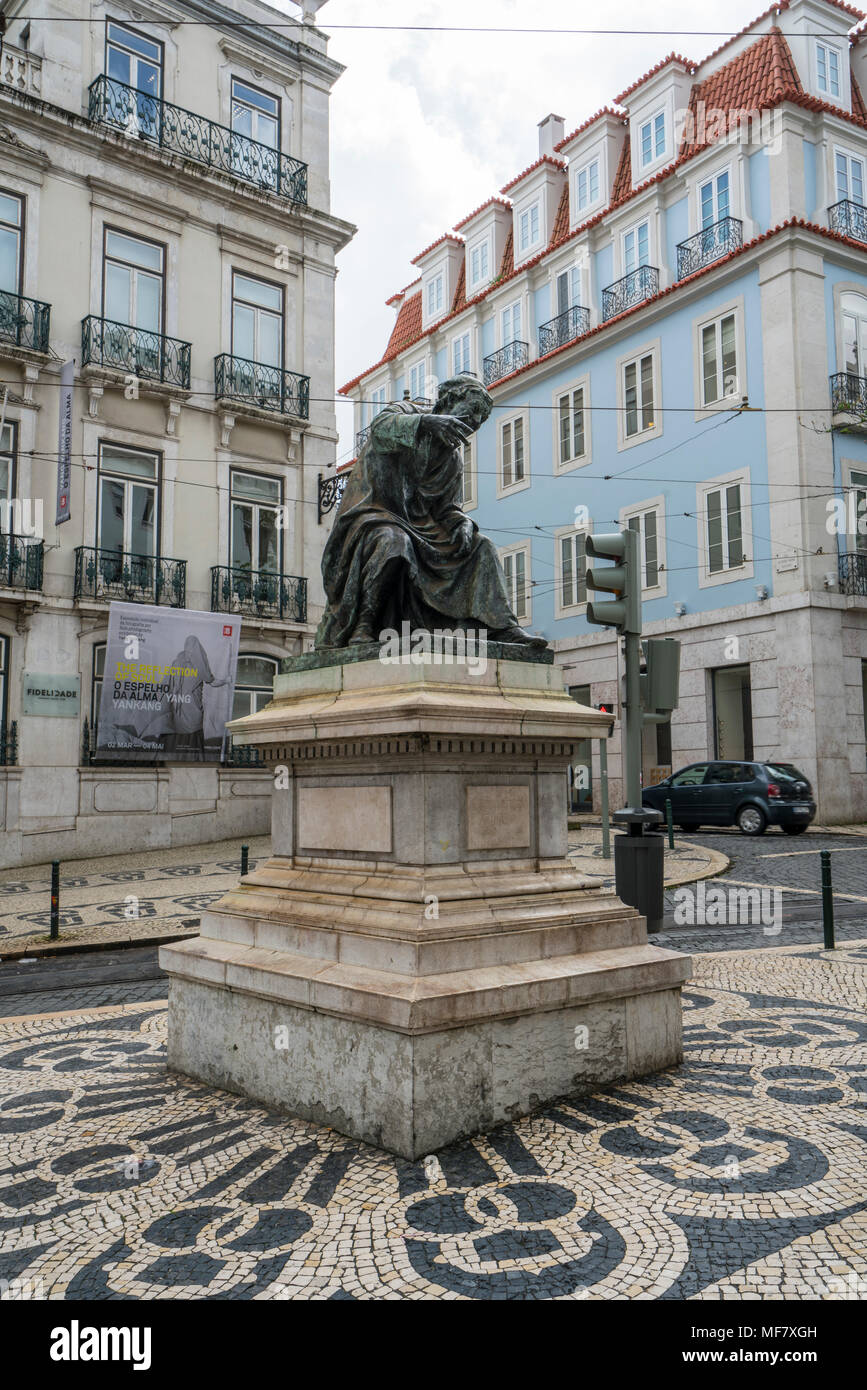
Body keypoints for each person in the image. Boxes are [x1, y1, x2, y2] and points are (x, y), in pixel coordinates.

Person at [316, 373, 547, 649]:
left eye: (479, 421)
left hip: (423, 530)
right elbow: (380, 429)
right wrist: (426, 423)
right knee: (394, 542)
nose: (472, 424)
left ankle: (502, 626)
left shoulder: (451, 461)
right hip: (372, 517)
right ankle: (364, 625)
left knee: (482, 547)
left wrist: (462, 524)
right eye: (471, 412)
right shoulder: (405, 412)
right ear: (449, 401)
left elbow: (447, 508)